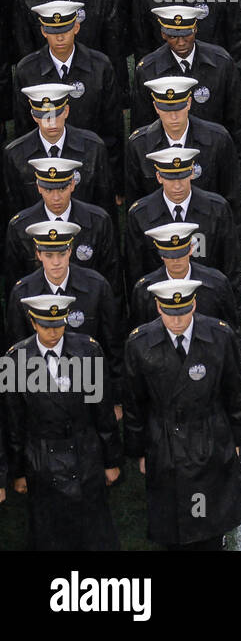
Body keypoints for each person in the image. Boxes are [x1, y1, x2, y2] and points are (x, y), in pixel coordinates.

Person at [123, 278, 241, 550]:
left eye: (182, 311)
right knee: (173, 526)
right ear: (158, 307)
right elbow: (135, 402)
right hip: (164, 440)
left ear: (194, 304)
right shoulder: (139, 344)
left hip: (210, 434)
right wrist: (139, 451)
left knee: (211, 519)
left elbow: (234, 392)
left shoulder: (220, 336)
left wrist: (239, 439)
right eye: (170, 312)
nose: (177, 320)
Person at [2, 293, 121, 549]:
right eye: (46, 325)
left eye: (59, 324)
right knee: (49, 536)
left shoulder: (88, 350)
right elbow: (13, 421)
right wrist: (18, 471)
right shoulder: (14, 359)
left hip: (85, 453)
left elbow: (102, 412)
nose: (53, 332)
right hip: (41, 457)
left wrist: (111, 461)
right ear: (33, 323)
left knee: (93, 534)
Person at [5, 221, 123, 414]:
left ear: (70, 251)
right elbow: (17, 353)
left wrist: (116, 399)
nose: (56, 262)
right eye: (49, 255)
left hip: (89, 388)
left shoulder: (96, 286)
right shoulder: (22, 294)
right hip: (41, 392)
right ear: (38, 254)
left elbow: (112, 344)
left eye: (61, 254)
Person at [128, 75, 241, 253]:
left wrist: (240, 249)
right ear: (155, 107)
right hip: (160, 247)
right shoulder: (138, 145)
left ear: (189, 103)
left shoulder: (217, 139)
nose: (174, 116)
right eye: (167, 109)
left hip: (209, 234)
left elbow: (233, 196)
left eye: (179, 107)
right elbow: (136, 201)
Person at [134, 6, 241, 184]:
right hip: (169, 172)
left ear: (196, 29)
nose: (181, 43)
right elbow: (143, 128)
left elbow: (236, 121)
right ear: (163, 34)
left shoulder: (221, 64)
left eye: (186, 35)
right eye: (173, 36)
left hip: (213, 158)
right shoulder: (147, 71)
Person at [12, 1, 123, 184]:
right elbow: (23, 128)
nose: (60, 38)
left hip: (91, 164)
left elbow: (112, 126)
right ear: (43, 31)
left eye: (65, 30)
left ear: (76, 27)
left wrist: (114, 180)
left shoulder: (100, 66)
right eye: (54, 32)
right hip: (45, 172)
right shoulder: (27, 70)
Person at [124, 148, 241, 310]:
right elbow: (135, 270)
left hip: (210, 300)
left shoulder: (217, 209)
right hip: (161, 307)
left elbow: (232, 264)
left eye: (182, 177)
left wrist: (238, 316)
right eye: (170, 179)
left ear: (192, 173)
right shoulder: (140, 215)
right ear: (159, 177)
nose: (178, 186)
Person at [4, 158, 119, 301]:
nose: (56, 197)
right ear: (38, 187)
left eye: (62, 189)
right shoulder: (20, 227)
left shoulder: (98, 221)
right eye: (48, 190)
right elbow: (14, 285)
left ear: (72, 184)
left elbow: (112, 280)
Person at [2, 83, 113, 218]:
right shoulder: (16, 154)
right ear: (34, 116)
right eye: (45, 116)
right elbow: (13, 210)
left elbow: (104, 204)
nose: (52, 123)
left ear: (66, 111)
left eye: (57, 114)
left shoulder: (93, 147)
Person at [129, 222, 241, 335]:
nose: (176, 260)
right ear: (161, 254)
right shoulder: (143, 291)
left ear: (191, 248)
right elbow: (141, 338)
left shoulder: (217, 283)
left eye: (180, 253)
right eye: (169, 255)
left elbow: (231, 332)